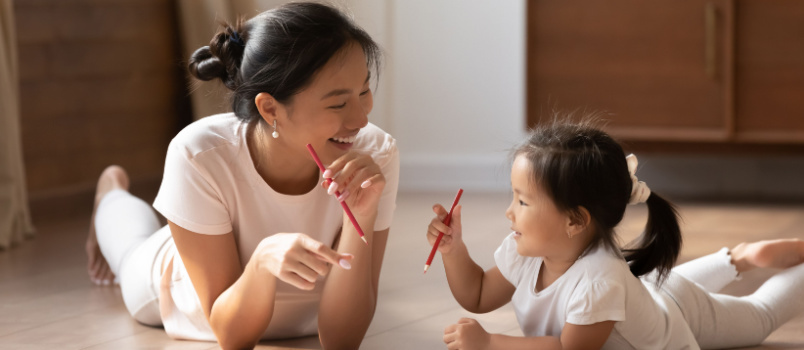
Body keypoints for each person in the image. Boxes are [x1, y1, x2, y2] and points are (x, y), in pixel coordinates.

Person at [84, 2, 399, 349]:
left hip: (303, 321)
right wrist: (261, 263)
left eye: (364, 92)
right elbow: (231, 335)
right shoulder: (199, 155)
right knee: (130, 249)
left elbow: (342, 341)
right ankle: (110, 193)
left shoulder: (375, 154)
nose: (361, 120)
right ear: (270, 108)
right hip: (178, 293)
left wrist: (363, 216)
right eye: (338, 104)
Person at [426, 119, 804, 349]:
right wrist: (453, 249)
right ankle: (739, 258)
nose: (509, 211)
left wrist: (491, 343)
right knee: (662, 291)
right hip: (650, 292)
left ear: (575, 221)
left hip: (672, 321)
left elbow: (565, 348)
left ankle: (746, 260)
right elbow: (476, 295)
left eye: (523, 202)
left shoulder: (600, 281)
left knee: (760, 315)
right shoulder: (526, 250)